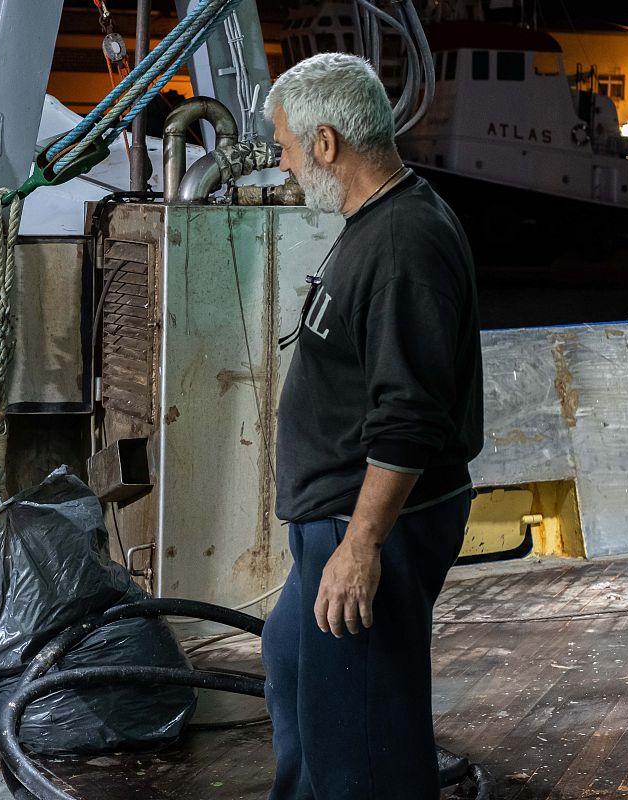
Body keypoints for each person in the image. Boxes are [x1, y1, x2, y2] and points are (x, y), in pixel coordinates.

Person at [260, 53, 483, 799]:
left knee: (363, 741)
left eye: (288, 146)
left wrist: (361, 546)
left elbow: (409, 419)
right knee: (292, 661)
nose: (285, 163)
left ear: (327, 144)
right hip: (334, 516)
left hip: (372, 522)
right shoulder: (377, 219)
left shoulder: (401, 246)